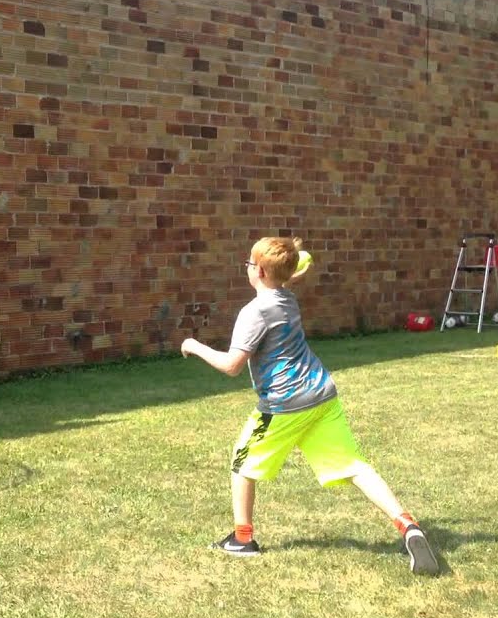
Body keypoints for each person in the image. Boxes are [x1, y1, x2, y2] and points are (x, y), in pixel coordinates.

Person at [180, 236, 440, 576]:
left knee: (241, 461)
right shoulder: (286, 297)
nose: (245, 266)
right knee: (354, 466)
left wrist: (193, 345)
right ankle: (408, 526)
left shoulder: (254, 312)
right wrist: (288, 261)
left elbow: (231, 365)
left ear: (258, 271)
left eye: (248, 263)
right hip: (322, 395)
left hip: (284, 404)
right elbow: (289, 272)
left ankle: (242, 539)